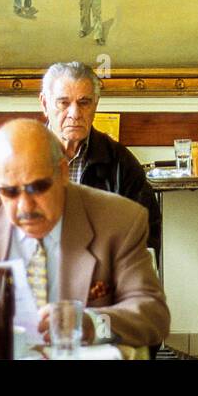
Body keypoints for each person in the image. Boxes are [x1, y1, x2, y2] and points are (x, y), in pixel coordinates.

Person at [0, 119, 169, 349]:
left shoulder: (118, 221)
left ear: (63, 173)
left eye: (37, 188)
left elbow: (151, 316)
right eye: (10, 192)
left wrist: (90, 323)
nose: (25, 207)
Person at [36, 62, 162, 253]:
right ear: (45, 104)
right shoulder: (15, 157)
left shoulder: (122, 163)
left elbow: (146, 235)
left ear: (95, 104)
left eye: (84, 103)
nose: (75, 114)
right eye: (63, 103)